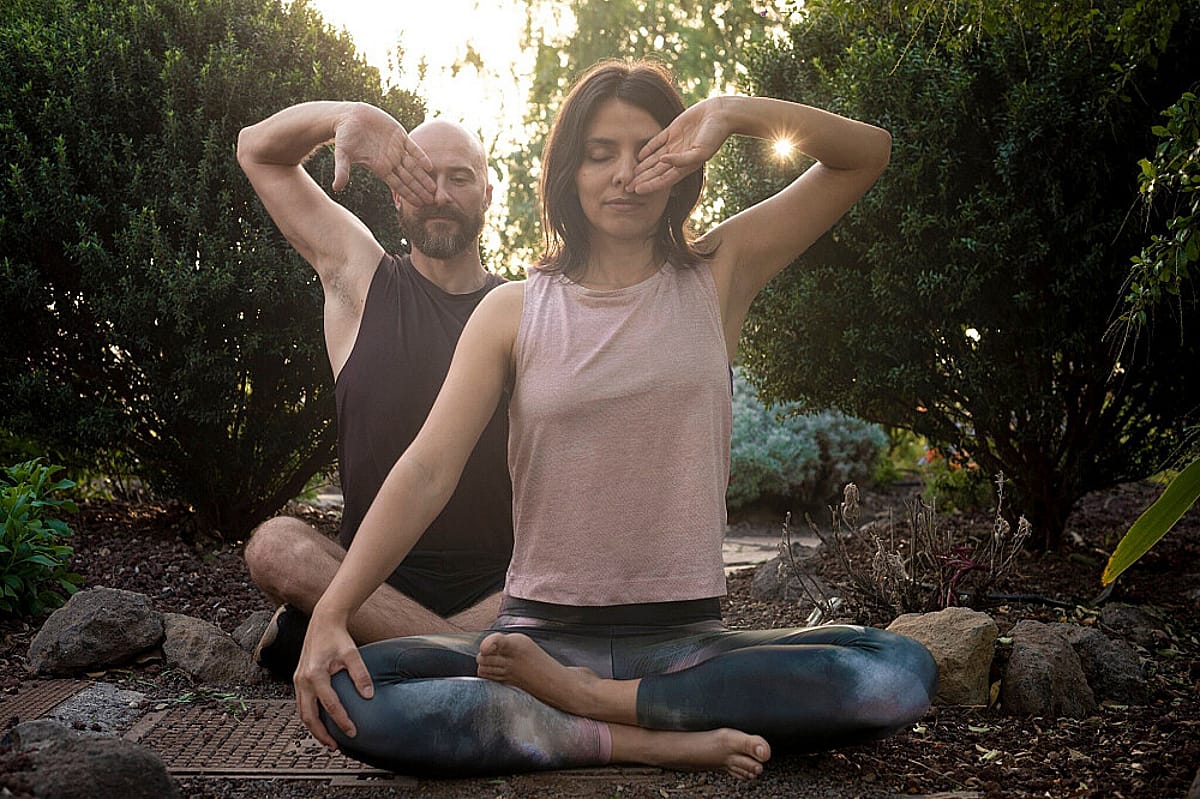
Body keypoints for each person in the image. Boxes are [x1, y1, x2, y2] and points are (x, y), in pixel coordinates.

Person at [293, 59, 938, 780]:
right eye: (600, 155)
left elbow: (867, 154)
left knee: (897, 670)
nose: (625, 174)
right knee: (347, 689)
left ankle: (588, 707)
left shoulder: (720, 273)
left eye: (649, 151)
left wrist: (729, 111)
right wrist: (333, 612)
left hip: (682, 642)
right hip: (537, 637)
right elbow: (427, 469)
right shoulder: (514, 309)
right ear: (569, 170)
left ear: (681, 160)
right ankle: (649, 735)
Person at [235, 102, 514, 677]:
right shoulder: (361, 278)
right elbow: (256, 151)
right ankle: (463, 654)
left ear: (487, 194)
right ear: (393, 191)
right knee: (274, 545)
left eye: (459, 178)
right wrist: (346, 116)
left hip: (504, 587)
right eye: (417, 174)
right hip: (366, 578)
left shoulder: (526, 309)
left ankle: (372, 640)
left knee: (578, 581)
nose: (438, 193)